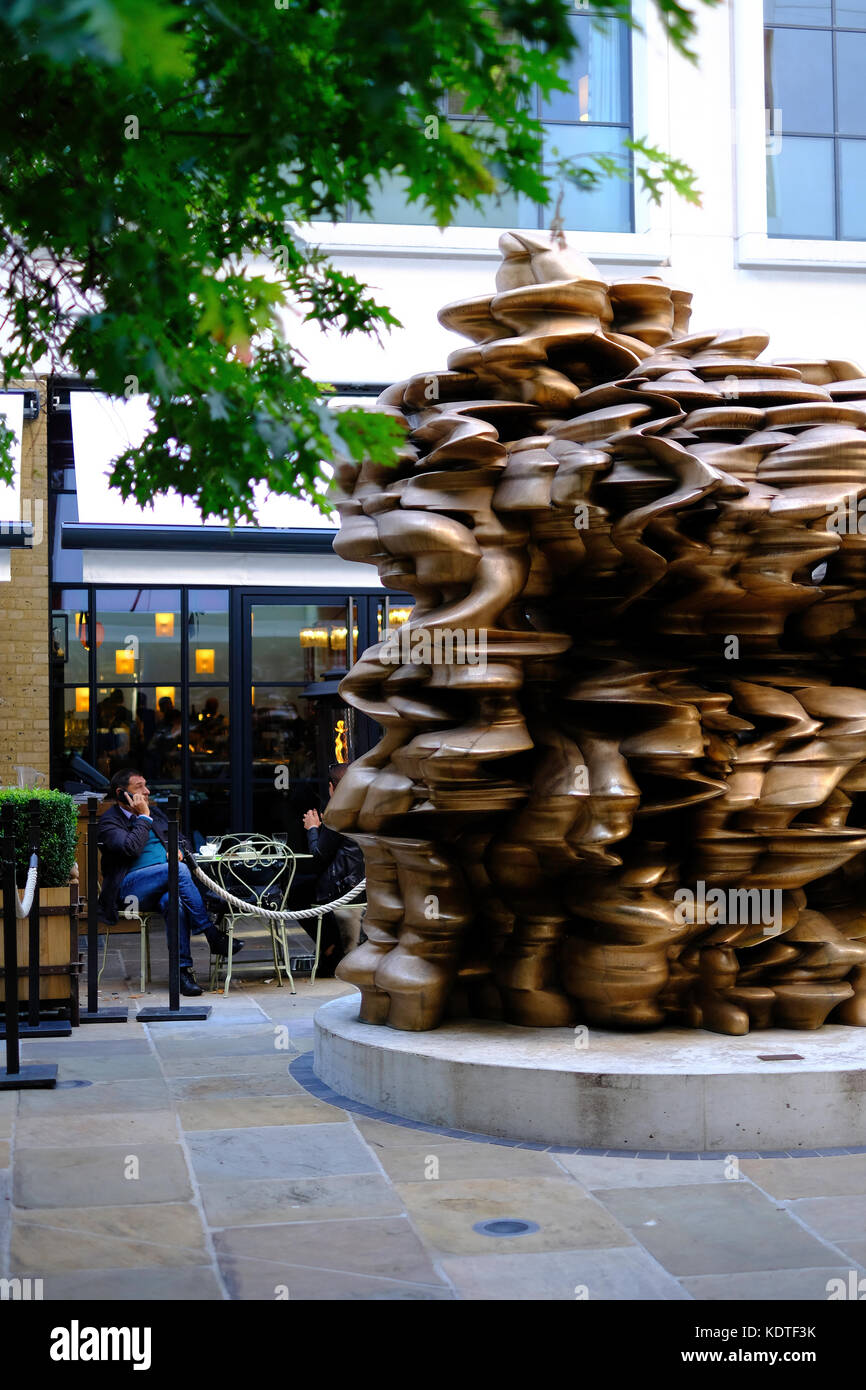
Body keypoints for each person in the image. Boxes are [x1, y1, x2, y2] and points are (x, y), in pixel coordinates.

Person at [97, 769, 243, 996]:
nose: (147, 791)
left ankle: (182, 973)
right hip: (131, 890)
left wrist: (179, 850)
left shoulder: (157, 813)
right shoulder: (109, 821)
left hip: (168, 883)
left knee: (175, 903)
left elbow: (183, 840)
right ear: (121, 793)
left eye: (146, 785)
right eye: (139, 787)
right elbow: (130, 848)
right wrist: (144, 817)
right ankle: (211, 934)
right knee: (178, 870)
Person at [300, 763, 365, 976]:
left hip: (341, 887)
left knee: (294, 894)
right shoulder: (366, 807)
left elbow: (318, 856)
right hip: (364, 883)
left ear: (331, 787)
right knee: (303, 889)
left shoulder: (338, 812)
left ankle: (329, 945)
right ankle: (330, 946)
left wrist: (312, 829)